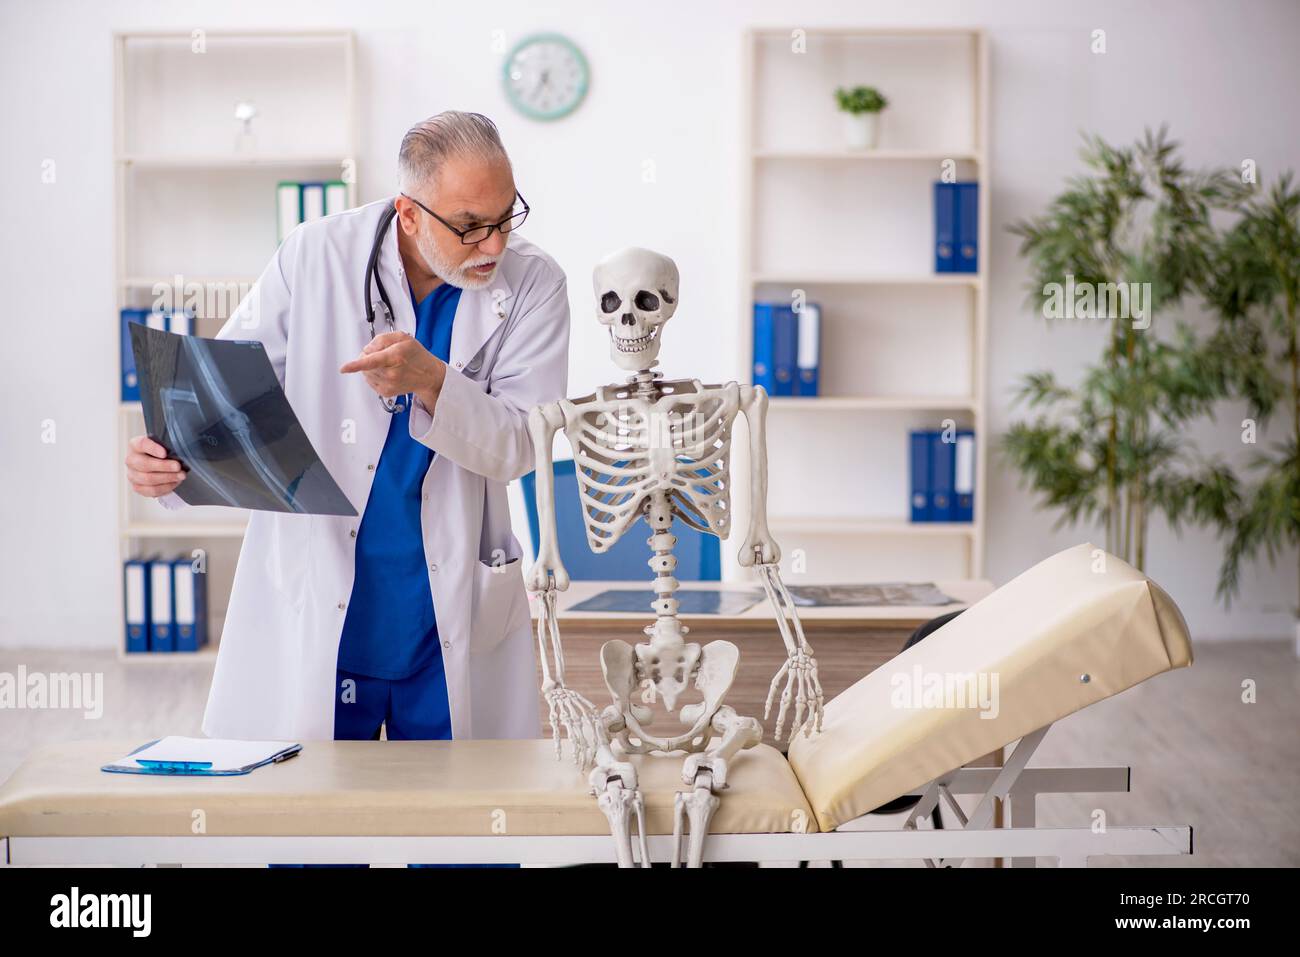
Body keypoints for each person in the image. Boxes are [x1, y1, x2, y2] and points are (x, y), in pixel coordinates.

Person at [123, 111, 569, 757]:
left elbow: (522, 445)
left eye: (506, 217)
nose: (494, 245)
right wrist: (165, 462)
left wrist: (434, 380)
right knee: (311, 829)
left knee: (460, 836)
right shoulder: (316, 256)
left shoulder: (535, 284)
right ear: (410, 214)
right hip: (326, 597)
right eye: (471, 226)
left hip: (443, 613)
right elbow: (218, 397)